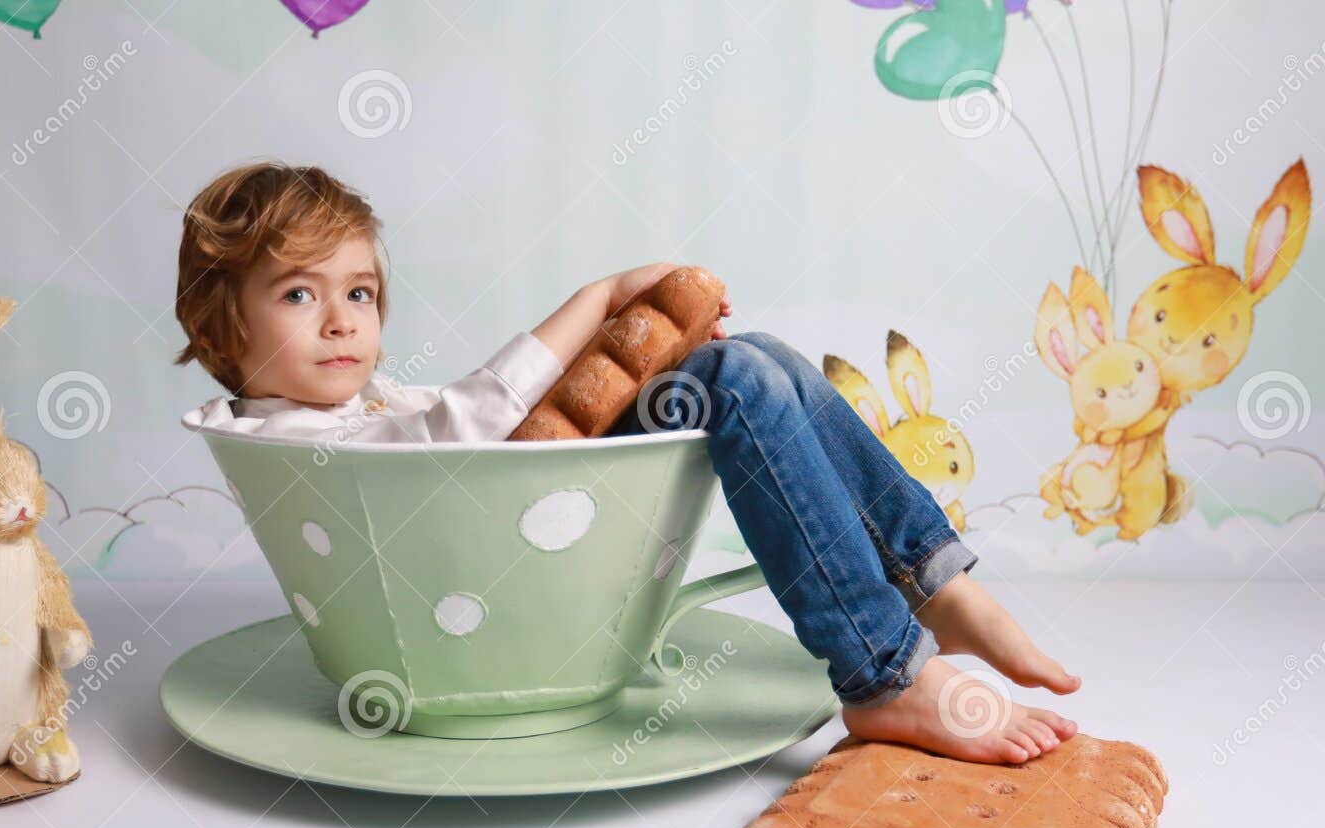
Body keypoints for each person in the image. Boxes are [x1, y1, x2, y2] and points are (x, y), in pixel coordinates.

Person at [176, 162, 1080, 764]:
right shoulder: (282, 437)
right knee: (733, 381)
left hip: (524, 552)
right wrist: (600, 299)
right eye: (300, 292)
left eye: (360, 292)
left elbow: (477, 412)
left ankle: (930, 582)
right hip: (505, 595)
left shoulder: (379, 404)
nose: (342, 320)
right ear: (219, 325)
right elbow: (473, 422)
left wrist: (637, 341)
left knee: (748, 359)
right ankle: (885, 676)